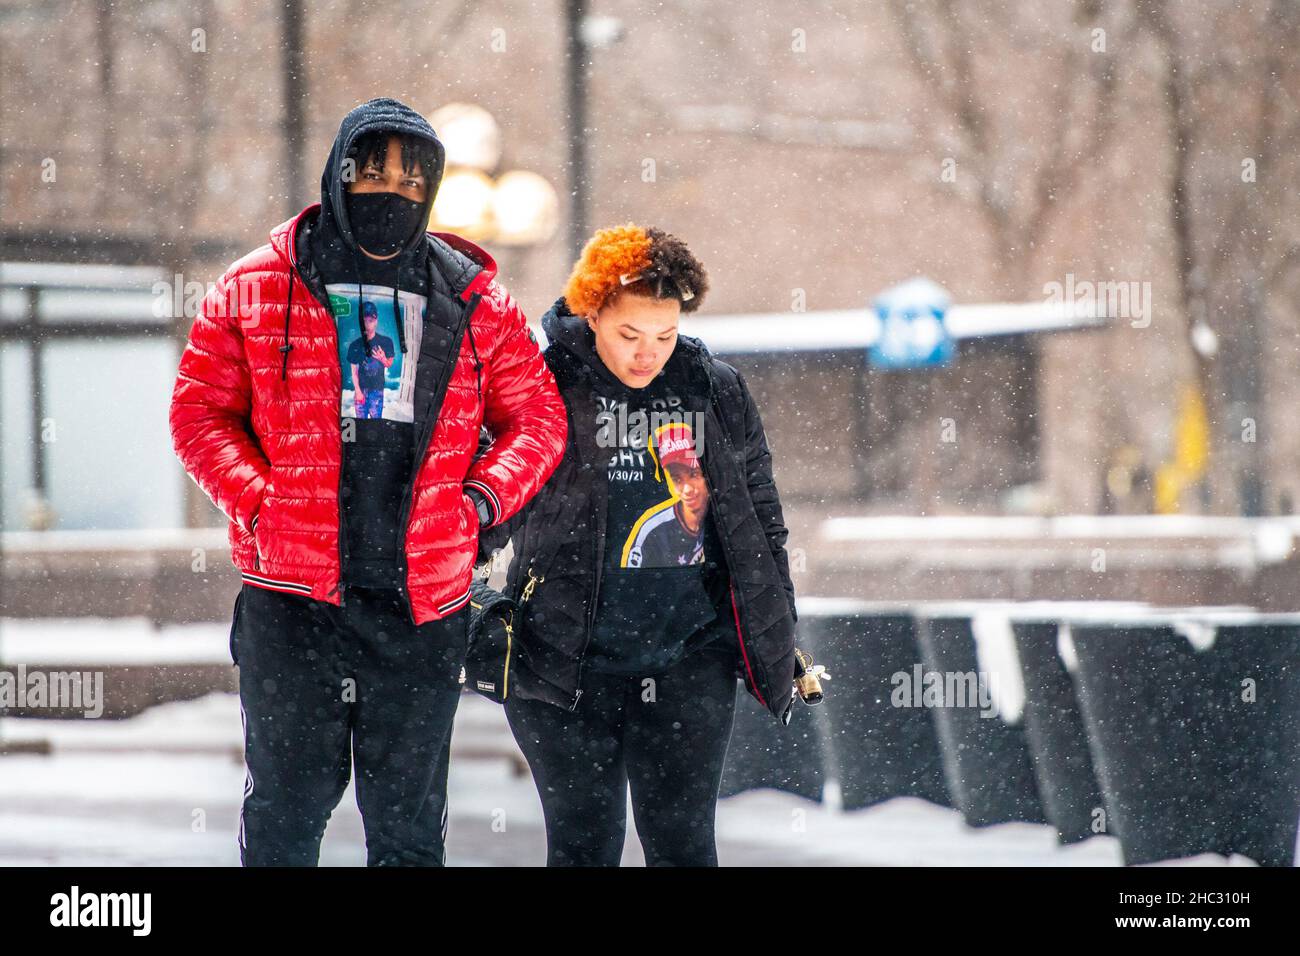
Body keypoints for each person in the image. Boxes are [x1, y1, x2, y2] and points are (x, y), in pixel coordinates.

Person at [169, 98, 567, 866]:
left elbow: (539, 420)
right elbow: (201, 414)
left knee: (410, 831)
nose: (393, 192)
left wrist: (480, 504)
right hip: (292, 602)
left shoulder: (475, 300)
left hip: (421, 606)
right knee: (285, 814)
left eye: (413, 181)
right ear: (338, 171)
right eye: (374, 171)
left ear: (433, 190)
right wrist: (261, 501)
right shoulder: (255, 286)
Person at [479, 224, 798, 866]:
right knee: (583, 846)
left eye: (664, 335)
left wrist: (778, 629)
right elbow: (480, 513)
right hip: (564, 659)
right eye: (629, 335)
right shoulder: (542, 387)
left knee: (683, 846)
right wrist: (472, 615)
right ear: (591, 313)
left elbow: (760, 522)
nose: (646, 353)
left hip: (689, 657)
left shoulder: (714, 390)